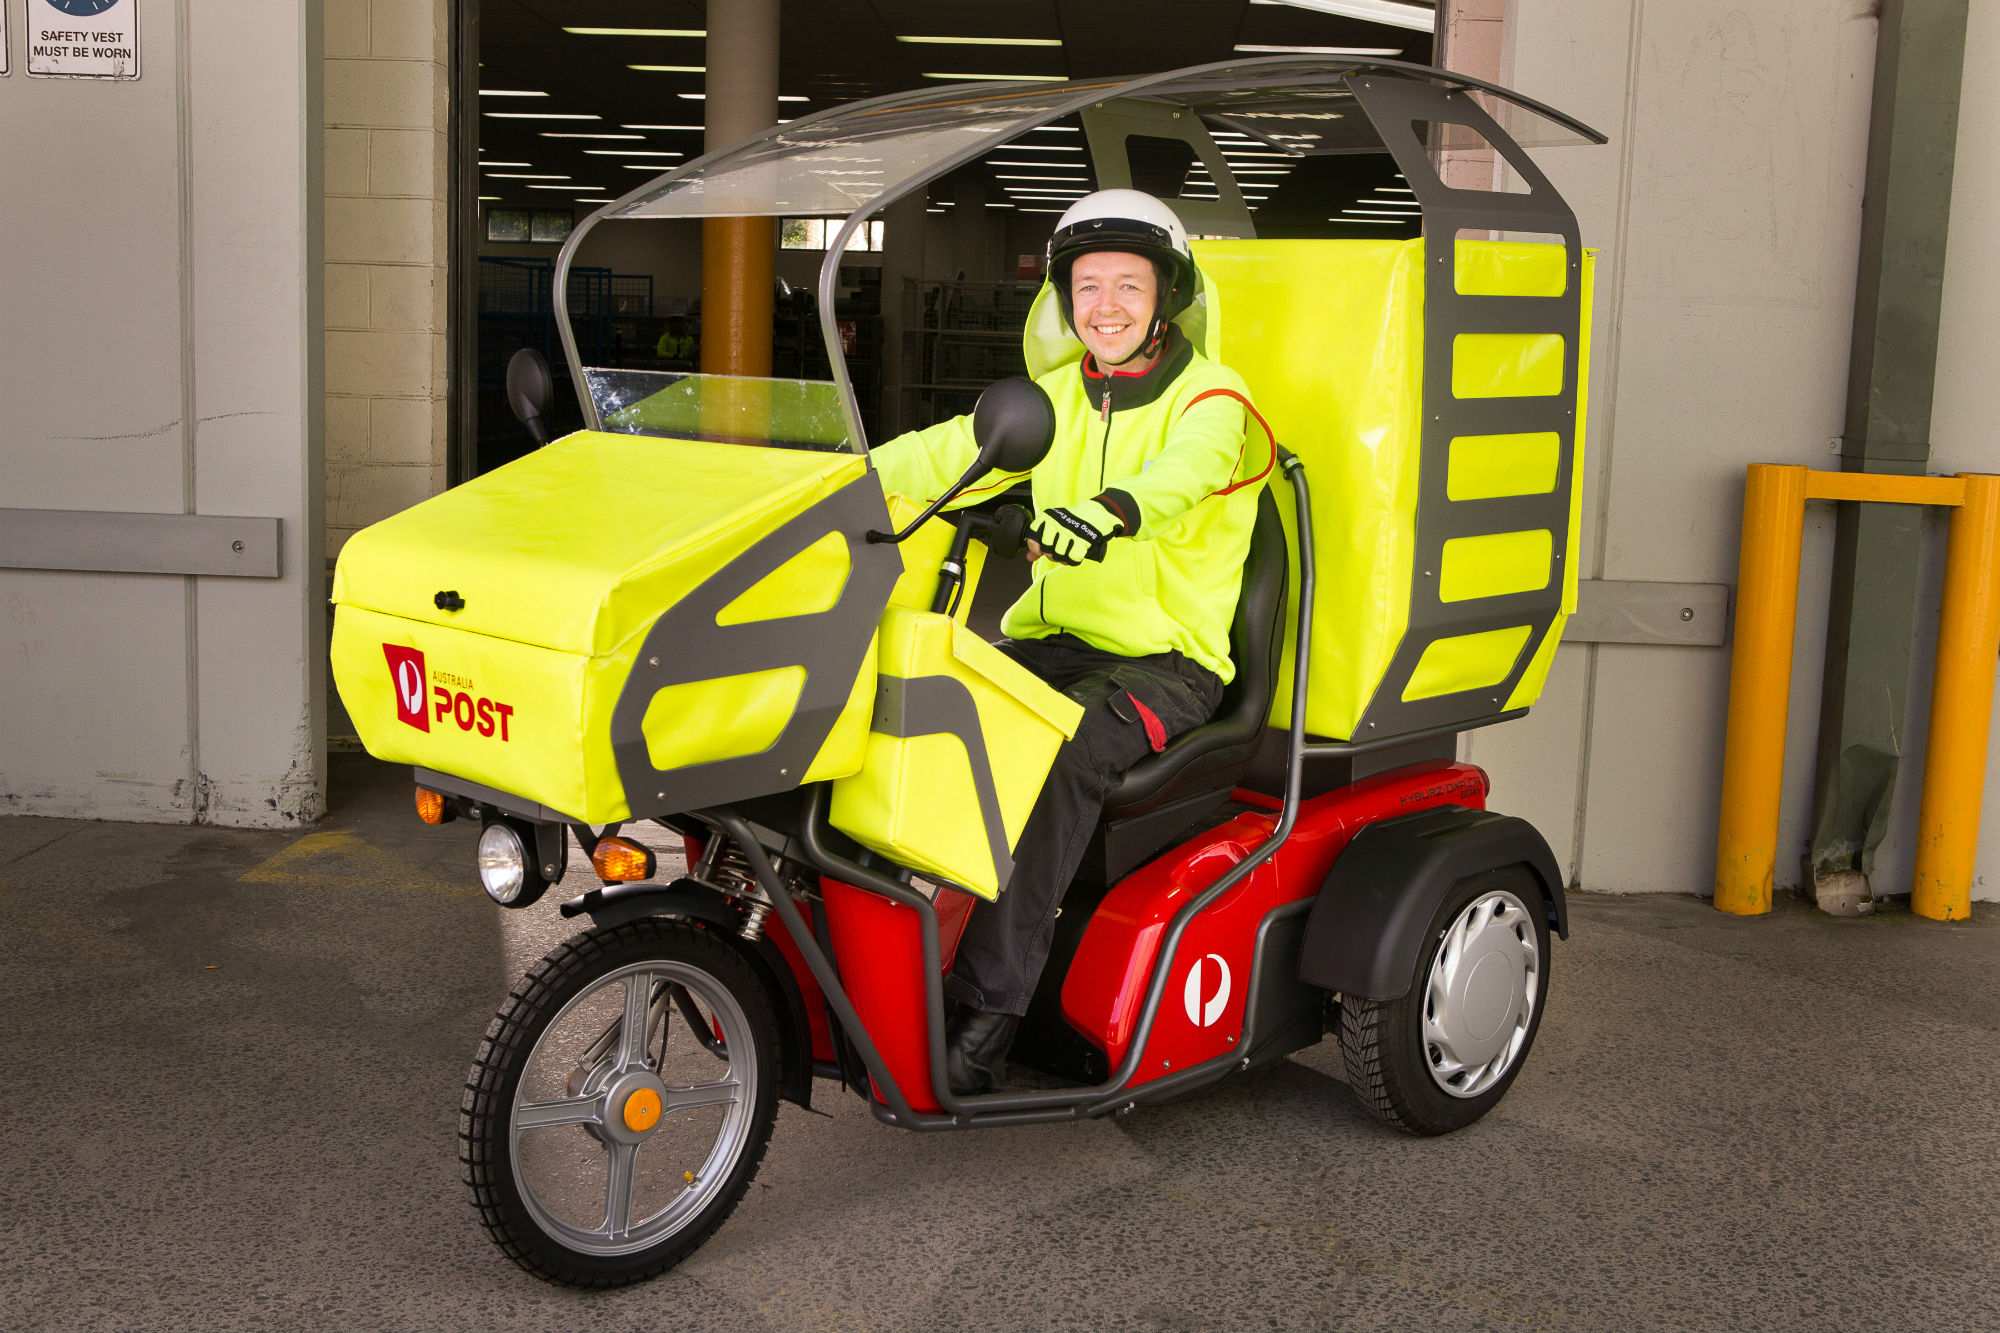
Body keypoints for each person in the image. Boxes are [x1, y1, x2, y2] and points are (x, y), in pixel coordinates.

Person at [871, 189, 1273, 1094]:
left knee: (1054, 752)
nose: (1107, 306)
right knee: (915, 710)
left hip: (1165, 665)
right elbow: (948, 450)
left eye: (1129, 285)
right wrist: (835, 480)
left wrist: (1110, 511)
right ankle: (889, 954)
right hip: (1055, 645)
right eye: (1088, 286)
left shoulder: (1215, 398)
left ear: (1167, 295)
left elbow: (1187, 472)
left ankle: (987, 1013)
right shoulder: (1054, 398)